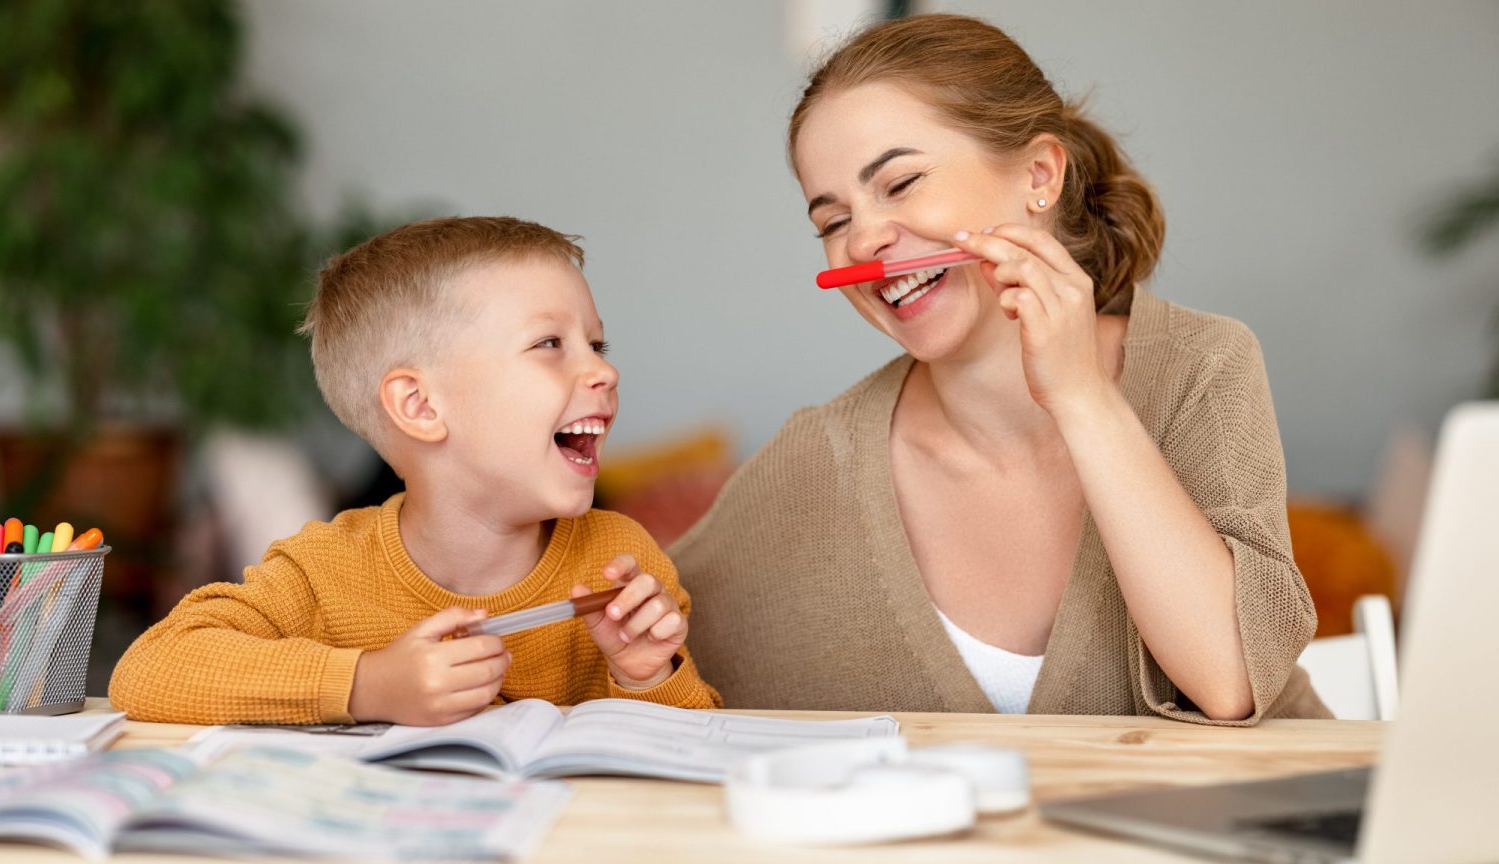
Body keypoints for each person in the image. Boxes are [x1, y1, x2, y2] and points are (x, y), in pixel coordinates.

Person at [673, 14, 1328, 723]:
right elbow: (641, 634)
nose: (862, 241)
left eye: (901, 182)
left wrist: (1082, 399)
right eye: (832, 222)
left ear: (1038, 175)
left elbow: (1231, 681)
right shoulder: (813, 460)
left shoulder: (1200, 366)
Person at [111, 216, 721, 725]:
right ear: (420, 406)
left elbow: (693, 760)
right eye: (549, 345)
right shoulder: (324, 571)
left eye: (597, 346)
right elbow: (148, 670)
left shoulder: (617, 560)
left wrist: (645, 676)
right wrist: (368, 685)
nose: (604, 372)